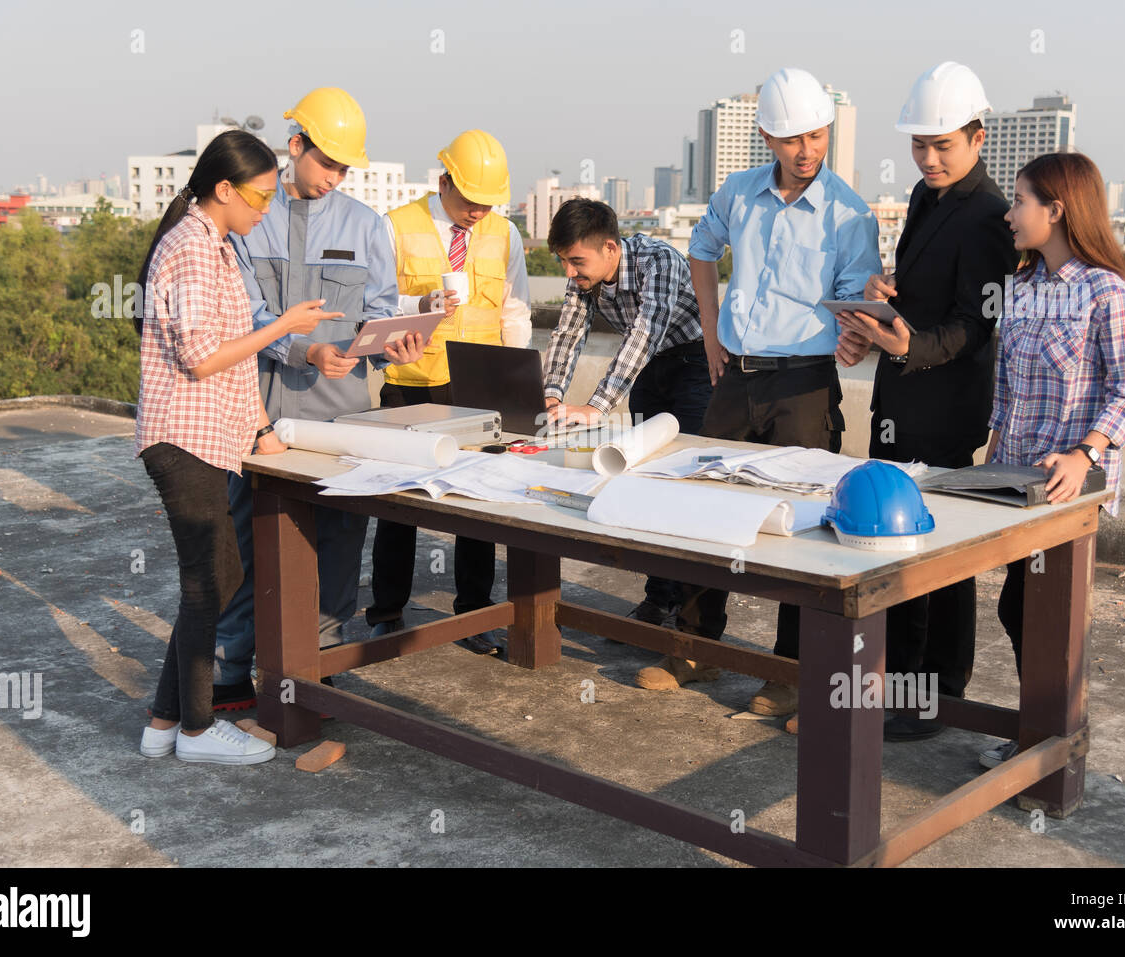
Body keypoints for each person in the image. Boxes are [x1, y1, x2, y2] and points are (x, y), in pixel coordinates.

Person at [634, 67, 881, 721]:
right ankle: (694, 646)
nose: (808, 149)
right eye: (794, 138)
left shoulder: (849, 213)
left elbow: (858, 303)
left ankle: (791, 674)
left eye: (819, 135)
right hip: (736, 378)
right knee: (705, 512)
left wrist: (854, 335)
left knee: (799, 530)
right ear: (767, 135)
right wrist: (712, 335)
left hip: (804, 385)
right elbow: (701, 248)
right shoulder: (738, 193)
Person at [135, 130, 353, 762]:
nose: (266, 209)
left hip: (213, 436)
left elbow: (232, 368)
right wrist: (284, 326)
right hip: (185, 436)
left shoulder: (219, 245)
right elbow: (205, 361)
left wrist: (260, 429)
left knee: (216, 576)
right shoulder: (192, 250)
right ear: (224, 190)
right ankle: (198, 732)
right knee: (211, 581)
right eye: (259, 197)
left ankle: (163, 723)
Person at [212, 88, 425, 710]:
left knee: (337, 544)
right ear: (295, 146)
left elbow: (380, 314)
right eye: (326, 162)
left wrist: (393, 348)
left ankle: (320, 666)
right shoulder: (251, 216)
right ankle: (230, 673)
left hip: (343, 415)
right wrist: (302, 350)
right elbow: (242, 314)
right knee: (248, 544)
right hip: (258, 414)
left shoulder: (366, 226)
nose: (334, 178)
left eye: (344, 169)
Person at [834, 62, 1018, 741]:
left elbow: (980, 324)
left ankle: (936, 690)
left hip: (943, 407)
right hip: (899, 399)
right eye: (919, 144)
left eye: (942, 145)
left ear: (977, 138)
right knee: (895, 539)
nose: (929, 157)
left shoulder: (991, 215)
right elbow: (931, 296)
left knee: (937, 554)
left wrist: (907, 344)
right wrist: (888, 295)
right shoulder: (923, 196)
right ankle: (901, 679)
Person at [977, 151, 1125, 768]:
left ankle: (1051, 747)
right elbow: (1006, 383)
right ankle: (1041, 735)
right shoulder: (1020, 287)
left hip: (1067, 486)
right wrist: (993, 448)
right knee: (1019, 607)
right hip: (1014, 480)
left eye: (1020, 201)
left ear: (1057, 209)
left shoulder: (1109, 295)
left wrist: (1084, 453)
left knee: (1041, 613)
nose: (1009, 212)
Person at [364, 130, 532, 656]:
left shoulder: (505, 233)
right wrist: (422, 299)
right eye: (468, 202)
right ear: (443, 182)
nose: (477, 213)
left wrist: (520, 385)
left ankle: (475, 614)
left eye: (487, 204)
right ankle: (387, 611)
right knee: (398, 502)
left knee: (476, 503)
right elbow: (376, 303)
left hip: (481, 386)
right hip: (413, 383)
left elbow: (516, 312)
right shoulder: (395, 226)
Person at [542, 198, 712, 626]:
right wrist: (552, 396)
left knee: (687, 481)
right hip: (650, 371)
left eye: (576, 261)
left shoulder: (660, 261)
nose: (570, 272)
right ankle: (658, 597)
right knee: (643, 479)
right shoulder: (583, 278)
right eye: (563, 261)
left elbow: (644, 334)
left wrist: (596, 406)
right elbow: (568, 333)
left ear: (611, 249)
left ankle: (692, 612)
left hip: (698, 366)